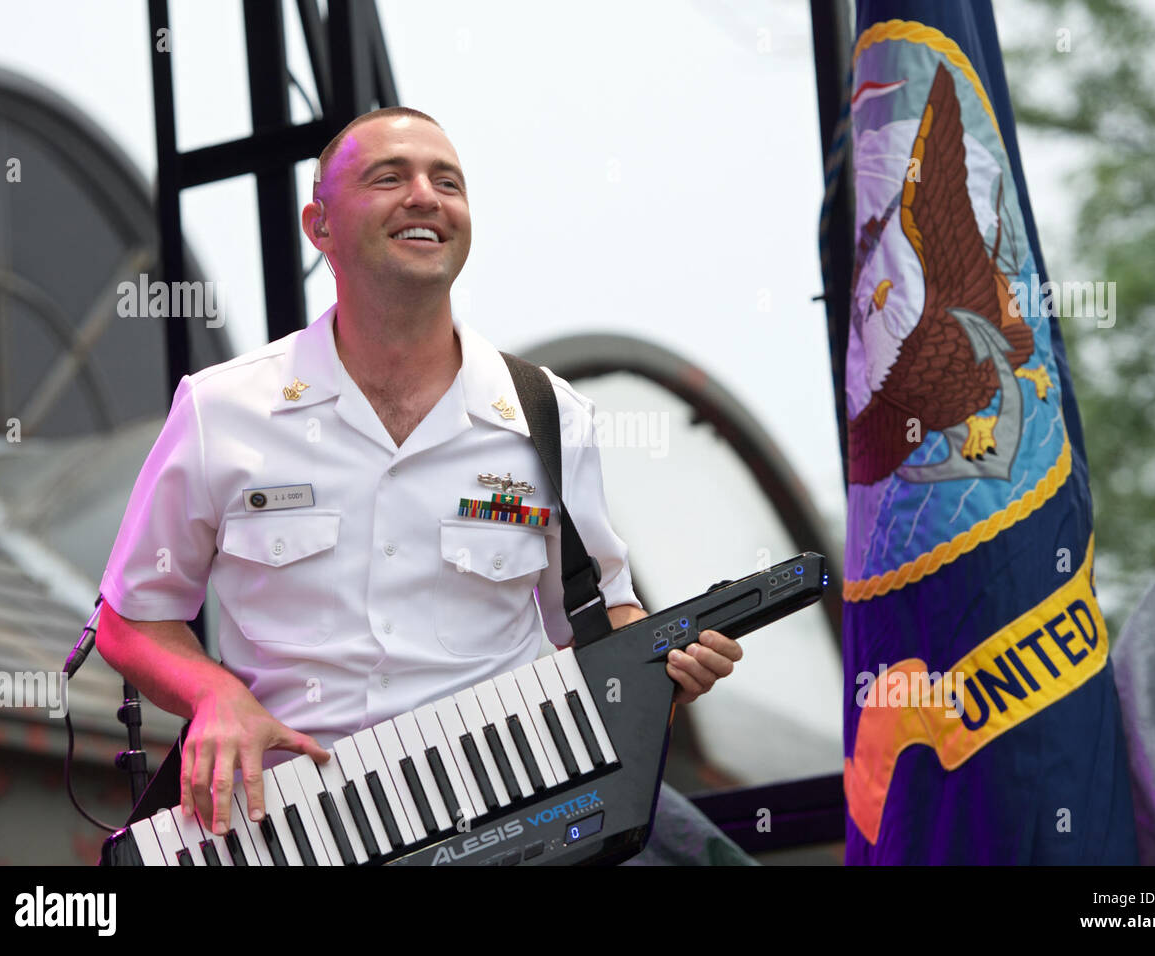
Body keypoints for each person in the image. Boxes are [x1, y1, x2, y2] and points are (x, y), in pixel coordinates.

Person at [96, 106, 744, 849]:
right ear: (320, 226)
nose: (426, 197)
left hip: (500, 823)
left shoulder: (546, 416)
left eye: (448, 182)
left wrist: (669, 661)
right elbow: (129, 618)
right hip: (286, 830)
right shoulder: (223, 409)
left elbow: (603, 630)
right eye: (389, 178)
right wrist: (214, 695)